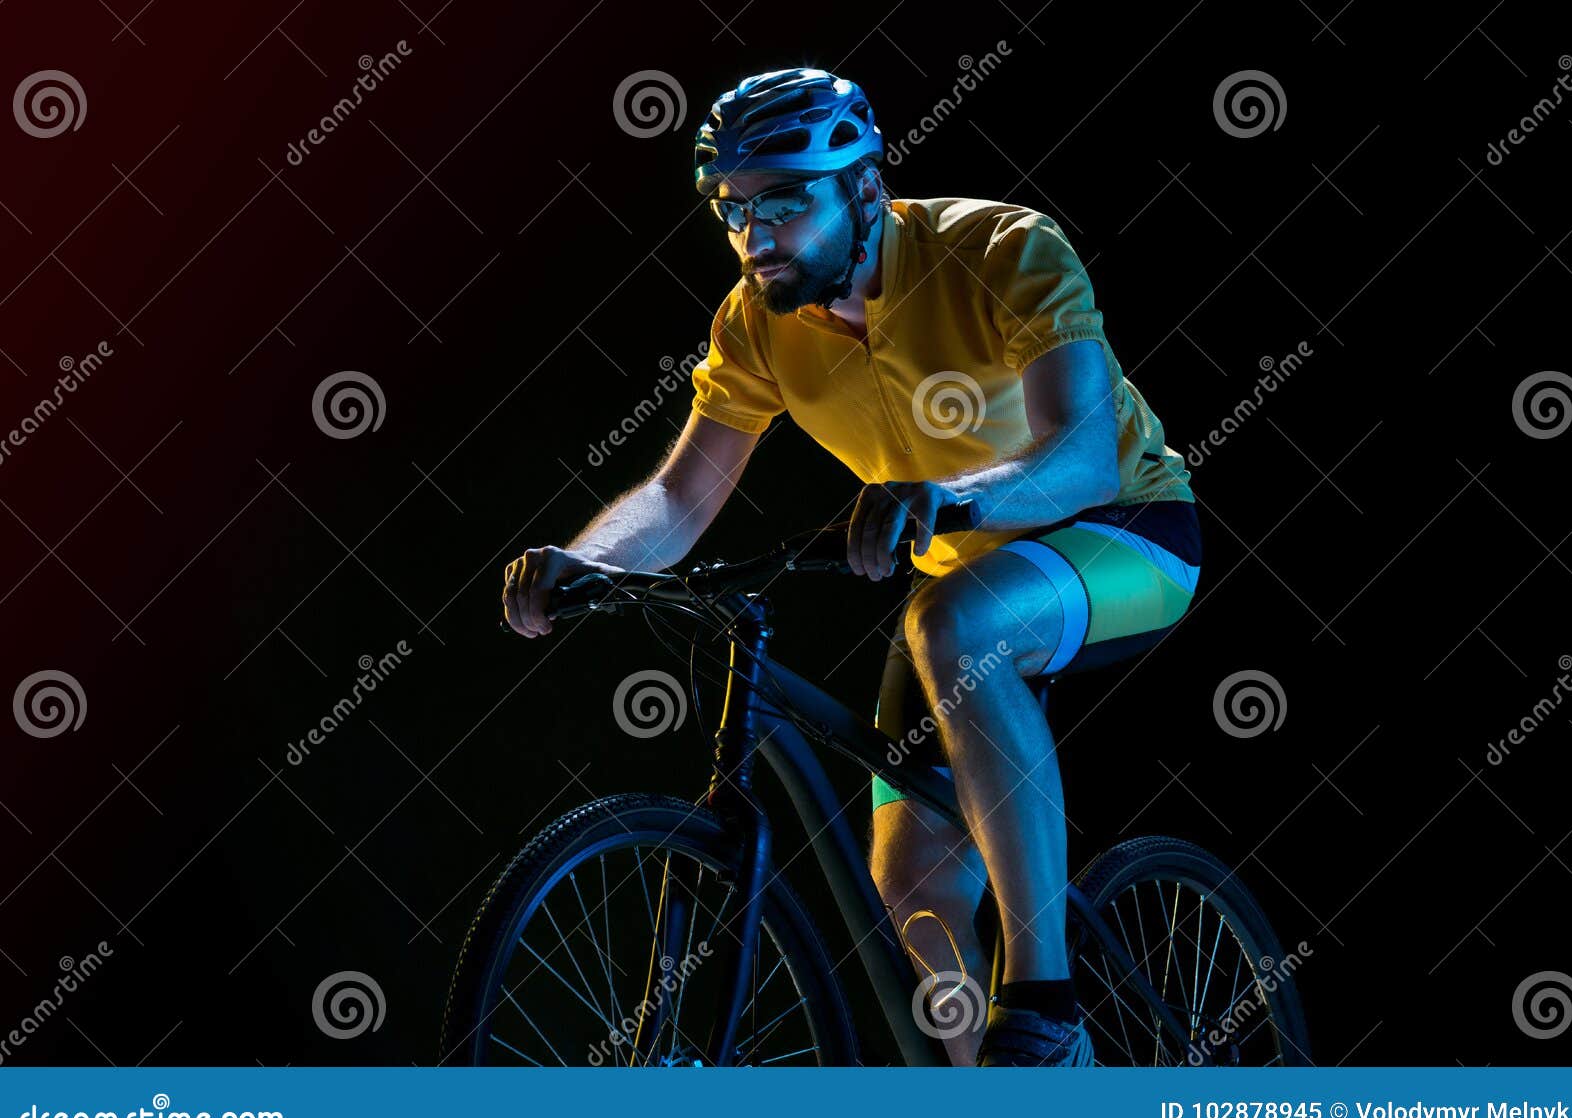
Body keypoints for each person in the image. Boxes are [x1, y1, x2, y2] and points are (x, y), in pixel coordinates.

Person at [503, 67, 1200, 1067]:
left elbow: (1084, 451)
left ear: (865, 188)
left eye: (787, 201)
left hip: (1125, 530)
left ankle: (1043, 1000)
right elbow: (679, 499)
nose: (757, 235)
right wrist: (585, 559)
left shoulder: (1001, 248)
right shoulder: (755, 323)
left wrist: (954, 496)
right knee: (912, 886)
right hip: (962, 573)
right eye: (734, 208)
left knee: (949, 621)